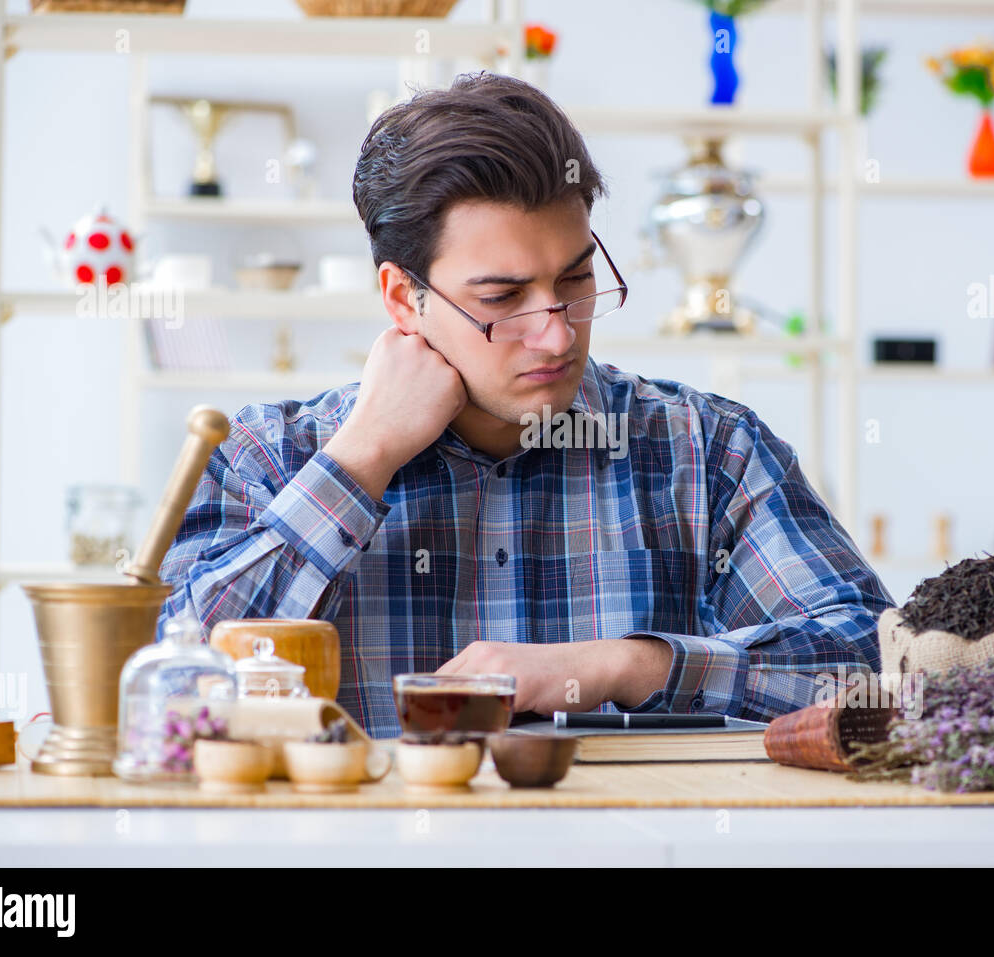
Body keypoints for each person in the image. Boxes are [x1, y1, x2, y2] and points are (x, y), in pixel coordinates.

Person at [157, 71, 896, 739]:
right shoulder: (268, 458)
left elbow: (880, 667)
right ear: (401, 297)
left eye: (575, 280)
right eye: (502, 297)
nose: (556, 333)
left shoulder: (707, 449)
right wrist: (362, 459)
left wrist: (627, 666)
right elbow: (167, 693)